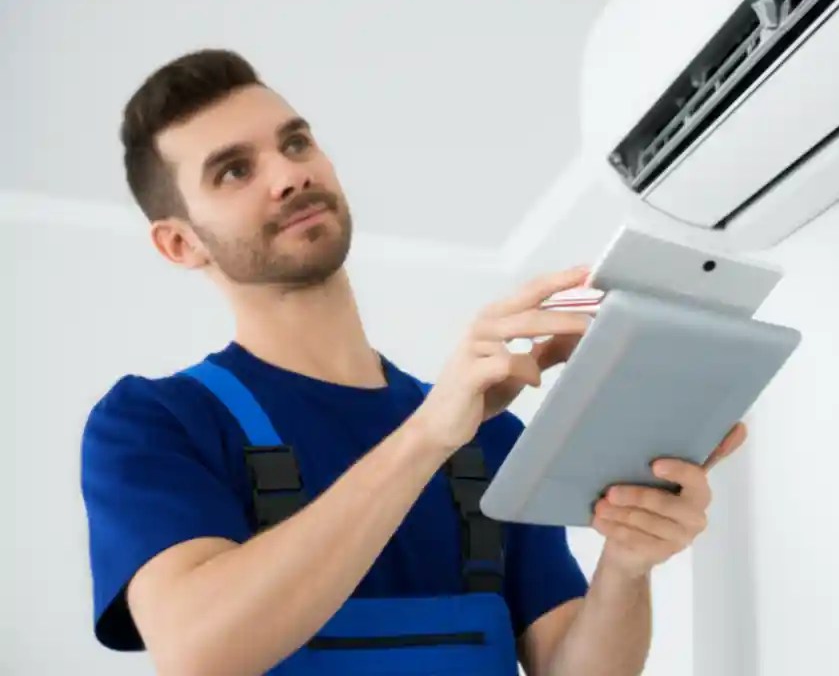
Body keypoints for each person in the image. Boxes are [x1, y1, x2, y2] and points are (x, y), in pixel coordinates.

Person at [80, 48, 747, 676]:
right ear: (178, 243)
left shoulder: (491, 438)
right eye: (234, 170)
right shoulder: (154, 423)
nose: (291, 174)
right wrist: (428, 437)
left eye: (295, 142)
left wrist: (627, 566)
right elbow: (200, 650)